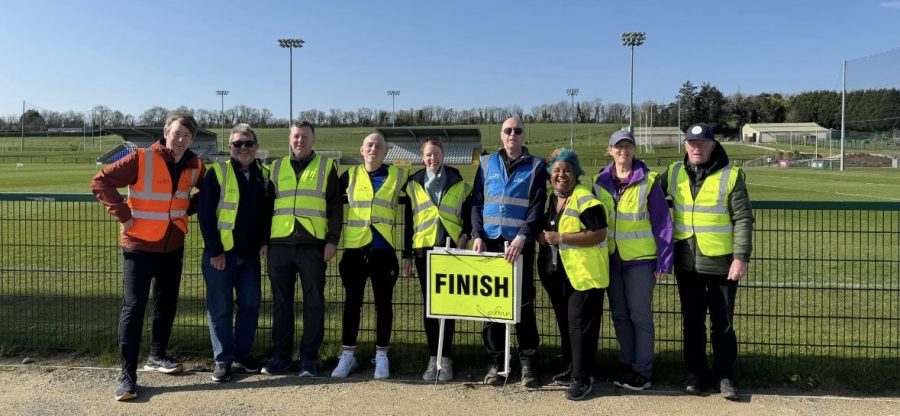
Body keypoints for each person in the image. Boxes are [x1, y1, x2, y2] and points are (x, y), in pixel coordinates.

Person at [91, 111, 205, 401]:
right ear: (166, 131)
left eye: (187, 135)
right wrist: (122, 213)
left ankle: (157, 356)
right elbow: (101, 182)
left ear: (192, 138)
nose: (181, 139)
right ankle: (127, 376)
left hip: (173, 244)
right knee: (134, 308)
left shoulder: (195, 164)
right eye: (177, 132)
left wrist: (186, 210)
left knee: (166, 305)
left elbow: (204, 194)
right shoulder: (142, 157)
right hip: (139, 245)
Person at [659, 122, 754, 401]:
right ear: (685, 146)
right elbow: (647, 189)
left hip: (722, 264)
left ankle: (724, 375)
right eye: (691, 143)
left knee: (722, 324)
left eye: (702, 144)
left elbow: (743, 219)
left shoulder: (731, 175)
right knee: (692, 322)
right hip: (686, 264)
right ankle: (694, 373)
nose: (696, 148)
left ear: (713, 145)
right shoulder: (674, 172)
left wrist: (740, 258)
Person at [593, 130, 673, 391]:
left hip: (641, 259)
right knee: (619, 315)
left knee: (639, 315)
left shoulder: (649, 181)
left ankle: (643, 371)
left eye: (628, 146)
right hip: (612, 259)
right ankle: (626, 364)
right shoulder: (600, 181)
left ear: (635, 150)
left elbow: (662, 222)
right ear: (610, 150)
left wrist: (664, 261)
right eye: (618, 147)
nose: (623, 151)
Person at [261, 121, 342, 377]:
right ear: (290, 138)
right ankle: (280, 357)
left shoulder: (326, 167)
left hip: (312, 245)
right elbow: (266, 208)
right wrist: (263, 241)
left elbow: (336, 207)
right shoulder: (275, 167)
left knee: (314, 302)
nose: (300, 141)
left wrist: (332, 239)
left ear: (313, 141)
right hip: (279, 245)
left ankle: (309, 357)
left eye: (305, 137)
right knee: (281, 304)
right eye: (296, 136)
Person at [471, 117, 547, 388]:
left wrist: (522, 236)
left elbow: (538, 205)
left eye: (517, 130)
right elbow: (477, 203)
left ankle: (528, 364)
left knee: (523, 305)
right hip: (490, 243)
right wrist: (477, 234)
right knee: (491, 305)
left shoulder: (537, 166)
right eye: (507, 130)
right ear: (501, 136)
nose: (512, 134)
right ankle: (496, 363)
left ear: (524, 135)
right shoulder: (486, 162)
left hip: (519, 246)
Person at [197, 123, 272, 382]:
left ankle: (241, 355)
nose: (243, 148)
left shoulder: (263, 175)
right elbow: (205, 216)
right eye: (238, 144)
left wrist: (264, 241)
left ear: (256, 147)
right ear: (229, 147)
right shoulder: (217, 173)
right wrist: (215, 251)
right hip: (222, 255)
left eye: (248, 143)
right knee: (220, 307)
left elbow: (266, 215)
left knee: (250, 305)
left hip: (250, 256)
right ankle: (223, 359)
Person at [333, 133, 407, 379]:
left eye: (379, 146)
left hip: (384, 251)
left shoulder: (398, 175)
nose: (373, 149)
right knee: (352, 304)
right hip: (355, 251)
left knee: (383, 305)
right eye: (369, 145)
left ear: (385, 152)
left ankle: (382, 355)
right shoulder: (350, 175)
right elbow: (330, 199)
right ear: (361, 150)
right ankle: (348, 355)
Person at [537, 149, 609, 401]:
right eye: (556, 170)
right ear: (549, 176)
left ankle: (582, 378)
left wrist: (561, 238)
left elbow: (599, 233)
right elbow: (548, 229)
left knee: (580, 327)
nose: (561, 175)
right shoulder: (552, 199)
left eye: (567, 170)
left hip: (584, 276)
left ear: (576, 174)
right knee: (567, 325)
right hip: (559, 276)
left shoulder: (585, 199)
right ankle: (573, 369)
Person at [401, 137, 472, 382]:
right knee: (430, 306)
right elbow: (409, 222)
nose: (433, 158)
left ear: (444, 155)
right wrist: (407, 255)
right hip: (423, 250)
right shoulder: (413, 183)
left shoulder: (458, 181)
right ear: (422, 157)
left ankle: (447, 358)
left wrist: (465, 235)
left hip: (450, 248)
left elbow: (470, 211)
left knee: (447, 306)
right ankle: (434, 357)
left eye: (437, 154)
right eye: (428, 155)